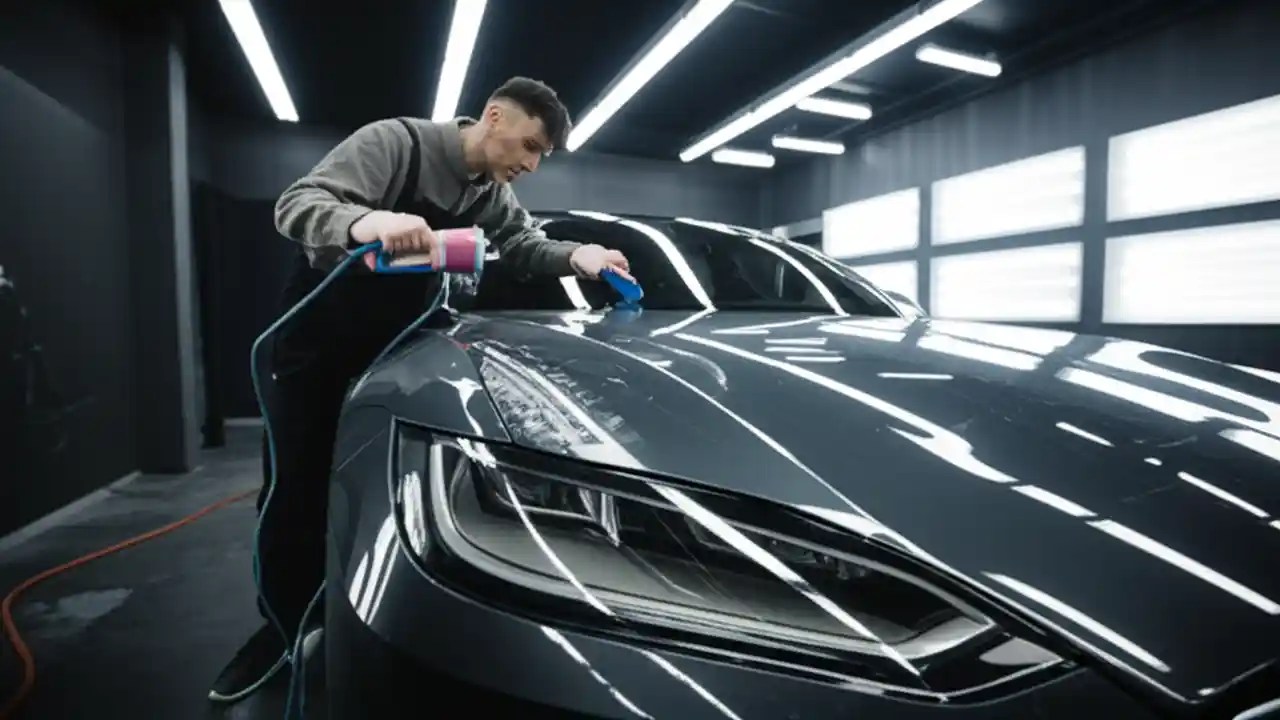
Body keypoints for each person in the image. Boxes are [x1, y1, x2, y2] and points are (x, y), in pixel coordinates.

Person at [209, 76, 632, 702]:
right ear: (493, 116)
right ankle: (279, 629)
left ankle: (349, 616)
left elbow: (521, 245)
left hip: (391, 357)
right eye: (531, 145)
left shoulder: (489, 194)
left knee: (370, 498)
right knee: (296, 490)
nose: (531, 164)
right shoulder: (395, 145)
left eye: (541, 155)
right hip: (317, 349)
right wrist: (368, 220)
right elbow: (297, 203)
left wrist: (579, 257)